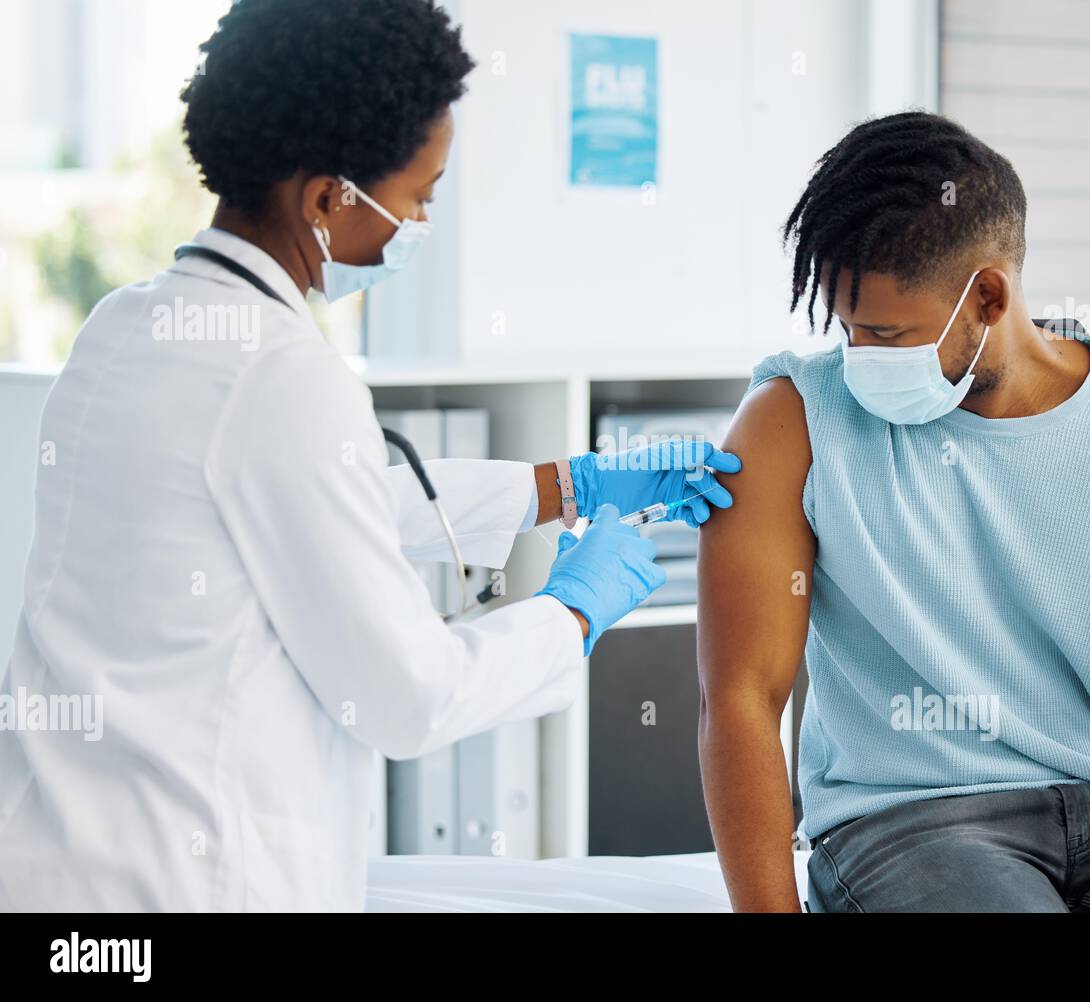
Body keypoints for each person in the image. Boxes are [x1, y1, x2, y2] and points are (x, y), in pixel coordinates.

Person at [0, 0, 738, 911]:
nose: (419, 221)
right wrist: (573, 612)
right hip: (185, 882)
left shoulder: (126, 327)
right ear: (326, 198)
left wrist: (565, 487)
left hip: (59, 874)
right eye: (419, 197)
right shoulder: (282, 375)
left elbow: (299, 511)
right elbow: (407, 697)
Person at [697, 111, 1090, 913]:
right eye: (845, 329)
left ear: (987, 296)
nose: (859, 358)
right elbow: (740, 699)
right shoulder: (795, 422)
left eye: (884, 331)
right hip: (909, 827)